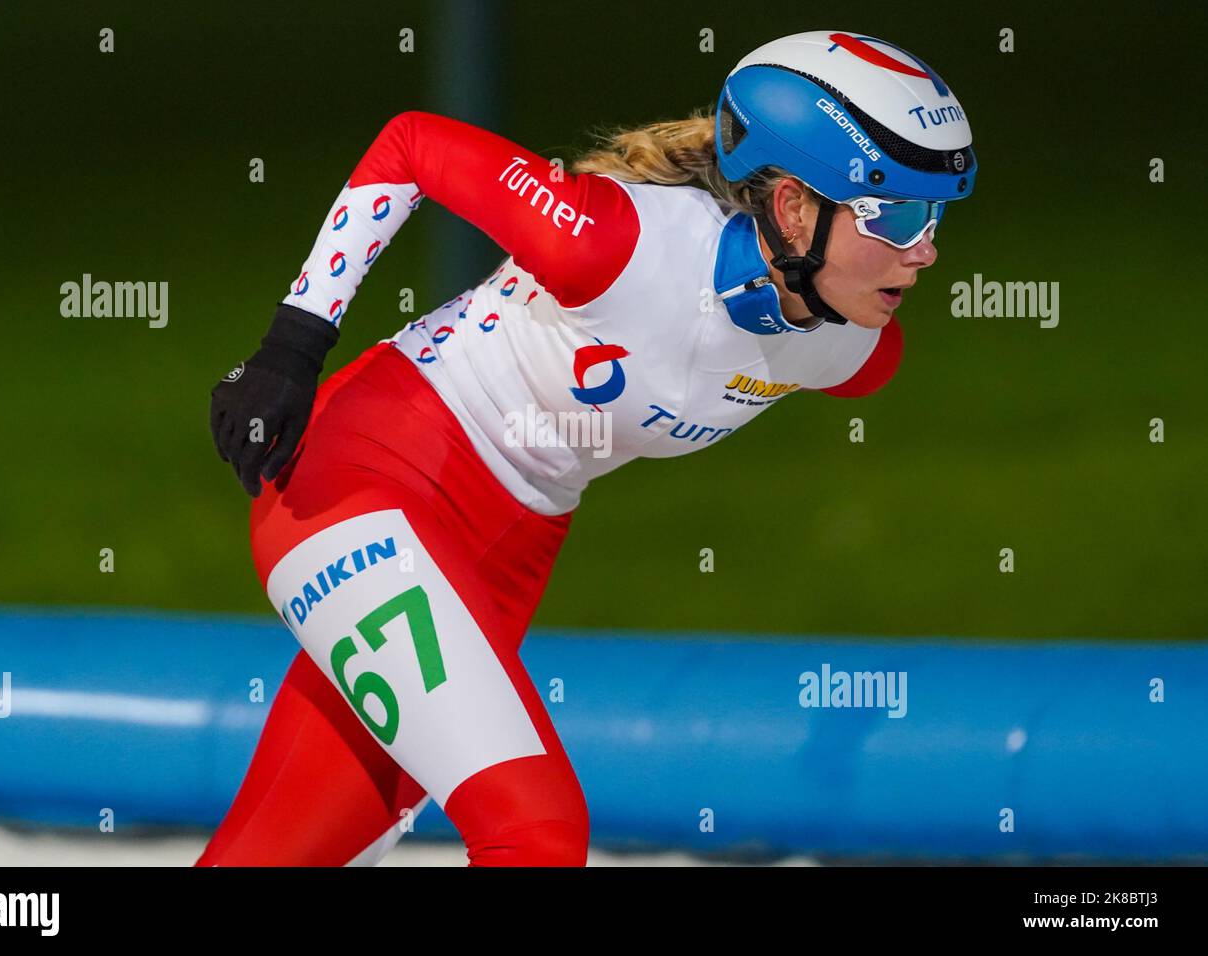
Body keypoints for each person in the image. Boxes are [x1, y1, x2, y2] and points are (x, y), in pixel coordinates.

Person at [199, 30, 977, 867]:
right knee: (535, 832)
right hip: (365, 474)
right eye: (896, 214)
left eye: (936, 215)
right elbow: (412, 145)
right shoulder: (618, 242)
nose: (926, 250)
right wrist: (291, 348)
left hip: (506, 549)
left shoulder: (854, 351)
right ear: (792, 208)